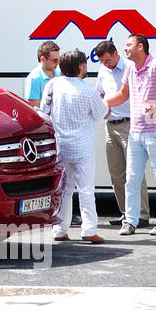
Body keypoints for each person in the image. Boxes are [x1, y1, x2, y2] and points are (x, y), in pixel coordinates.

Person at [102, 33, 156, 235]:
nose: (125, 48)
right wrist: (103, 103)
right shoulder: (130, 69)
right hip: (135, 132)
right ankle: (130, 221)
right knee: (131, 179)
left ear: (140, 47)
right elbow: (123, 95)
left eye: (129, 45)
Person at [39, 49, 109, 243]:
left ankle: (59, 230)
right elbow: (102, 114)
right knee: (86, 189)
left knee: (64, 190)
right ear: (81, 66)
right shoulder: (88, 91)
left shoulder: (53, 84)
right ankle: (89, 230)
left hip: (61, 146)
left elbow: (44, 112)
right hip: (82, 148)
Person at [94, 40, 150, 227]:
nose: (106, 65)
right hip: (110, 125)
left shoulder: (130, 68)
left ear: (116, 53)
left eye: (108, 60)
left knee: (134, 171)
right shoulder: (103, 71)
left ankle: (141, 214)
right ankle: (126, 213)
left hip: (129, 123)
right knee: (116, 172)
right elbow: (99, 94)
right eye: (102, 62)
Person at [24, 41, 61, 107]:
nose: (57, 63)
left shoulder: (59, 73)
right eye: (54, 60)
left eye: (59, 60)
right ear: (43, 59)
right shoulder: (34, 79)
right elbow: (34, 110)